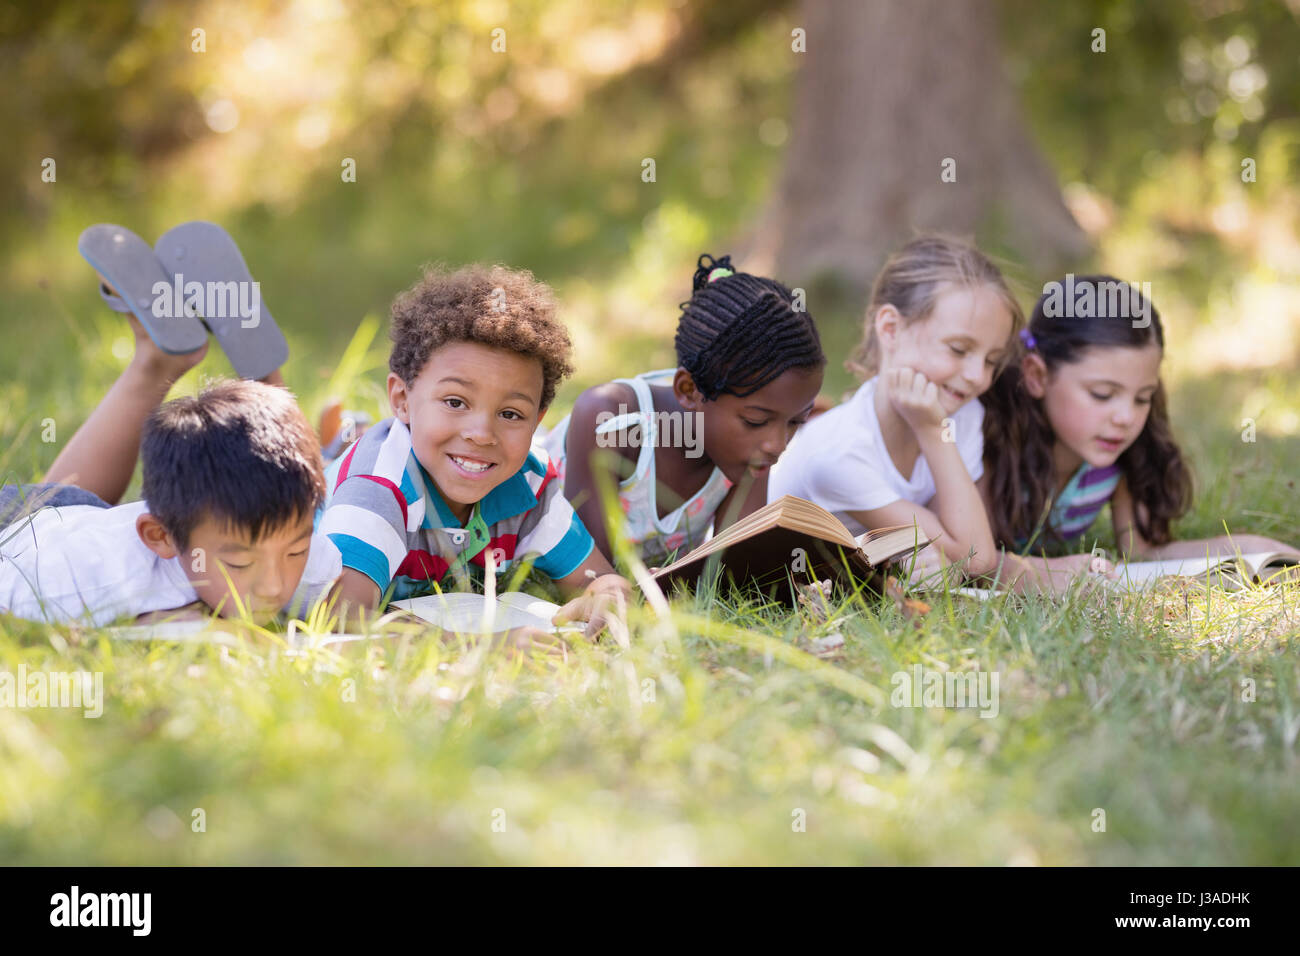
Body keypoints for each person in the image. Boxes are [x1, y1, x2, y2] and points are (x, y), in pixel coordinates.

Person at [319, 263, 631, 637]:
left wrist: (609, 592)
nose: (482, 434)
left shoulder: (528, 483)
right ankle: (333, 442)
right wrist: (481, 647)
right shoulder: (377, 488)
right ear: (402, 398)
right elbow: (342, 619)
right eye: (455, 402)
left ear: (537, 421)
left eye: (511, 413)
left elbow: (594, 579)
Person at [979, 274, 1297, 588]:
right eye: (1102, 394)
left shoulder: (1115, 457)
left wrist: (1249, 549)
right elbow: (968, 556)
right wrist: (1036, 572)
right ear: (1037, 375)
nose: (1126, 417)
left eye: (1142, 397)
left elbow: (1142, 551)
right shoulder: (990, 438)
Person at [545, 253, 825, 569]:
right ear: (689, 390)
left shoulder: (748, 454)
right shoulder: (611, 418)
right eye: (755, 420)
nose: (778, 444)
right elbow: (589, 576)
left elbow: (736, 574)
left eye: (795, 421)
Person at [770, 235, 1020, 577]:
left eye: (992, 360)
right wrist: (932, 431)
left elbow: (962, 546)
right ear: (890, 329)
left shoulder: (964, 415)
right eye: (959, 349)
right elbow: (976, 559)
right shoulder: (839, 454)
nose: (978, 376)